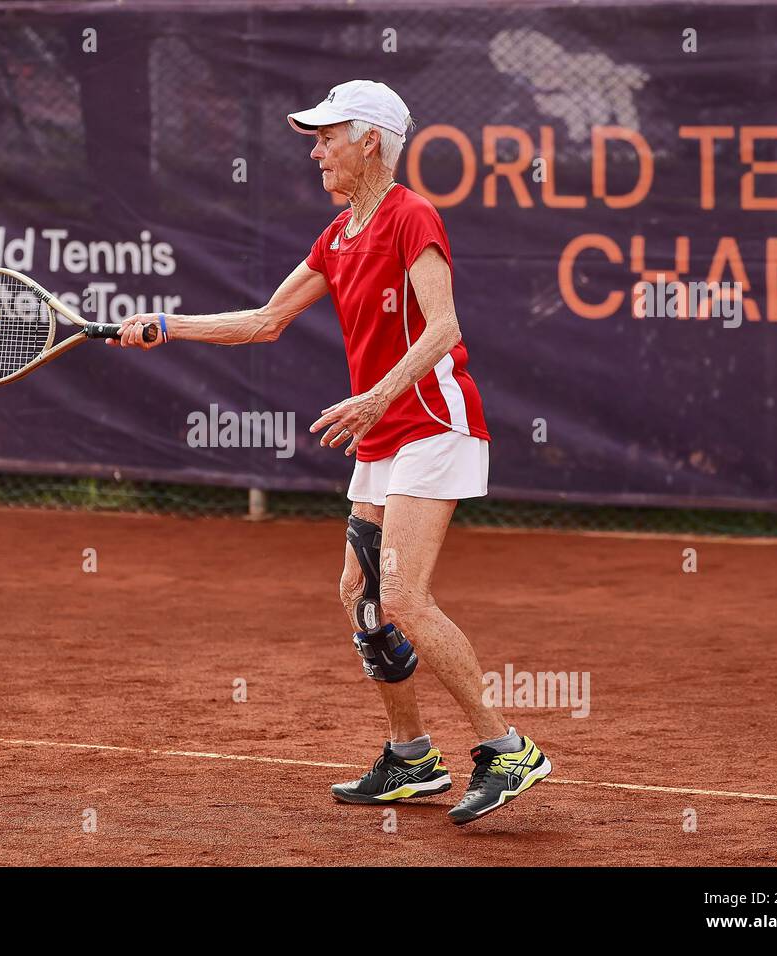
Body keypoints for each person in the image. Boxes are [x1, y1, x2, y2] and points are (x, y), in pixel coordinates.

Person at [107, 80, 551, 825]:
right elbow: (265, 321)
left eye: (327, 137)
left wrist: (379, 394)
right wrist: (166, 323)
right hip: (379, 432)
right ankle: (410, 756)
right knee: (358, 592)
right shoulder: (339, 234)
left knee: (404, 595)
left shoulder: (412, 216)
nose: (316, 151)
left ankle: (507, 748)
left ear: (369, 140)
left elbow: (442, 327)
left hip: (431, 420)